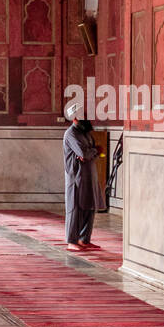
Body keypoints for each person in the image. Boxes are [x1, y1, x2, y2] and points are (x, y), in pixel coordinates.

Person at [62, 100, 104, 252]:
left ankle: (84, 239)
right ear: (74, 118)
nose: (85, 117)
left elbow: (92, 151)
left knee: (89, 208)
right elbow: (84, 153)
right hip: (76, 177)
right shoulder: (71, 134)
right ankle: (71, 241)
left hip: (89, 175)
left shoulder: (85, 133)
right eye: (82, 115)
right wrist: (93, 151)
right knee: (75, 209)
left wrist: (92, 152)